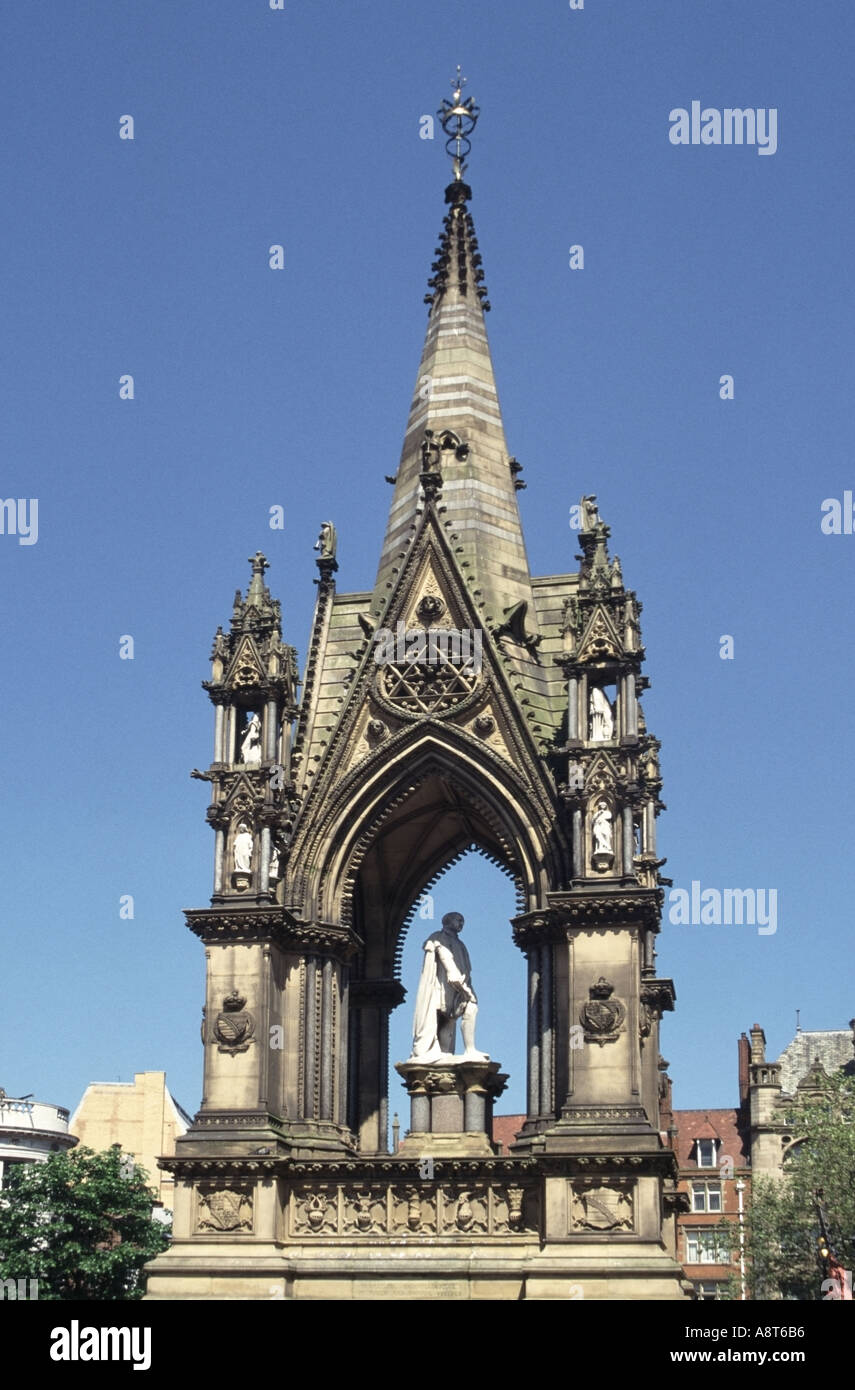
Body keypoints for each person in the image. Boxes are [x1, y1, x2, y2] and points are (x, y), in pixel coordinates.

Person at [409, 911, 488, 1062]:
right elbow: (443, 952)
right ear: (447, 921)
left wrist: (466, 985)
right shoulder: (438, 936)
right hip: (441, 985)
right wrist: (453, 972)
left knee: (465, 1010)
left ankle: (467, 1050)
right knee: (442, 1015)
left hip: (459, 984)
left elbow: (466, 967)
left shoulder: (460, 944)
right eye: (458, 920)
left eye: (462, 920)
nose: (461, 923)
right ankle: (439, 1051)